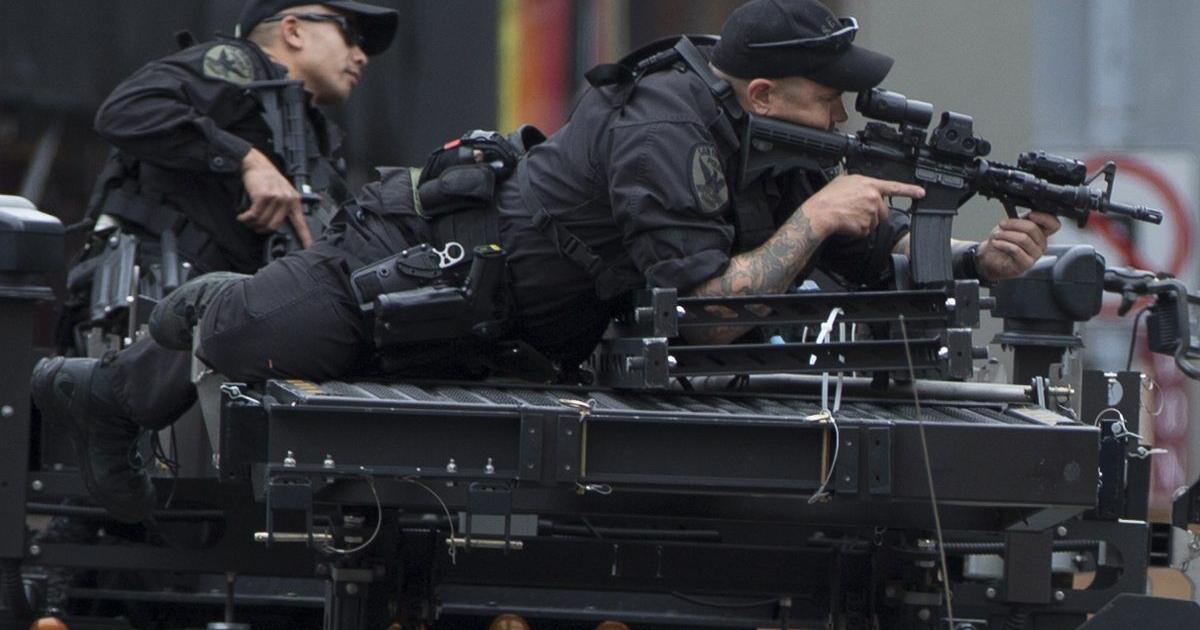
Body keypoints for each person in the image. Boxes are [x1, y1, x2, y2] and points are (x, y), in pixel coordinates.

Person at [37, 0, 1059, 523]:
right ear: (761, 94)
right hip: (430, 265)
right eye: (825, 92)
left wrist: (976, 262)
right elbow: (708, 308)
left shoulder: (776, 147)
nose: (841, 111)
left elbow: (855, 253)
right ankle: (104, 391)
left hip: (521, 326)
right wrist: (821, 217)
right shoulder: (671, 127)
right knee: (258, 334)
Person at [31, 0, 398, 524]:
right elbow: (126, 110)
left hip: (211, 355)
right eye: (351, 34)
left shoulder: (314, 134)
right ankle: (104, 400)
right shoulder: (238, 65)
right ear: (292, 29)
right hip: (153, 310)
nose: (362, 55)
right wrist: (246, 159)